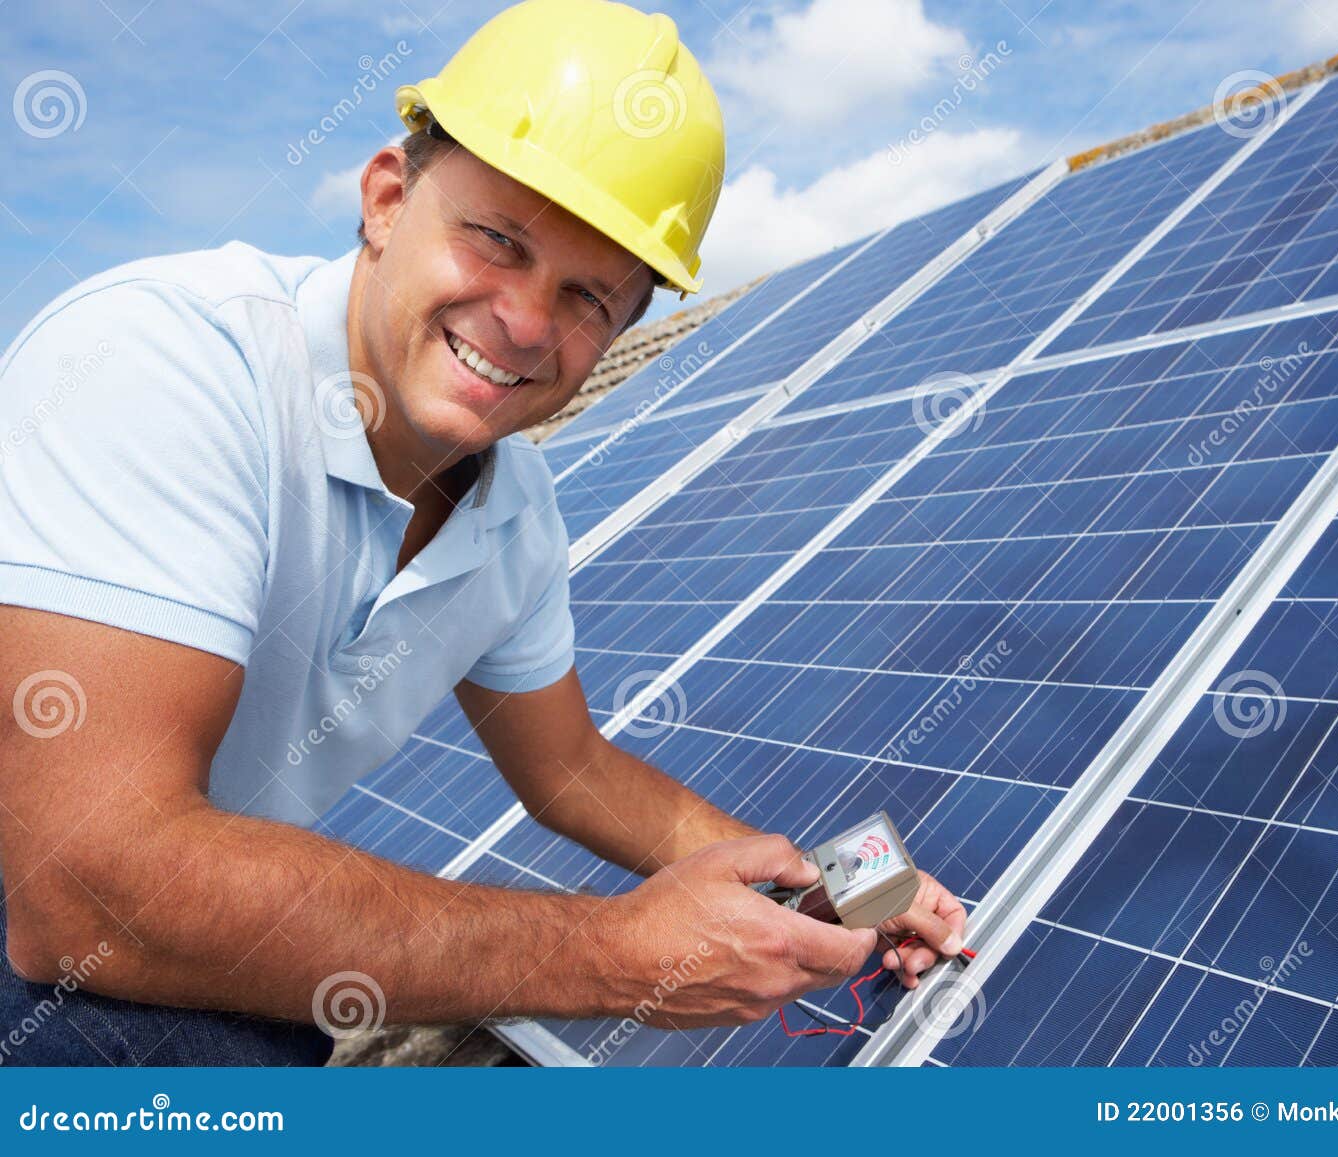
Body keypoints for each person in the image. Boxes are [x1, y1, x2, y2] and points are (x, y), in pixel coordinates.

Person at [0, 0, 965, 1066]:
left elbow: (568, 768)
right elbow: (83, 891)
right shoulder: (169, 363)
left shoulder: (513, 512)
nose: (525, 322)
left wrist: (825, 885)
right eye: (495, 239)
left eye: (589, 297)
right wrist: (619, 950)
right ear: (383, 199)